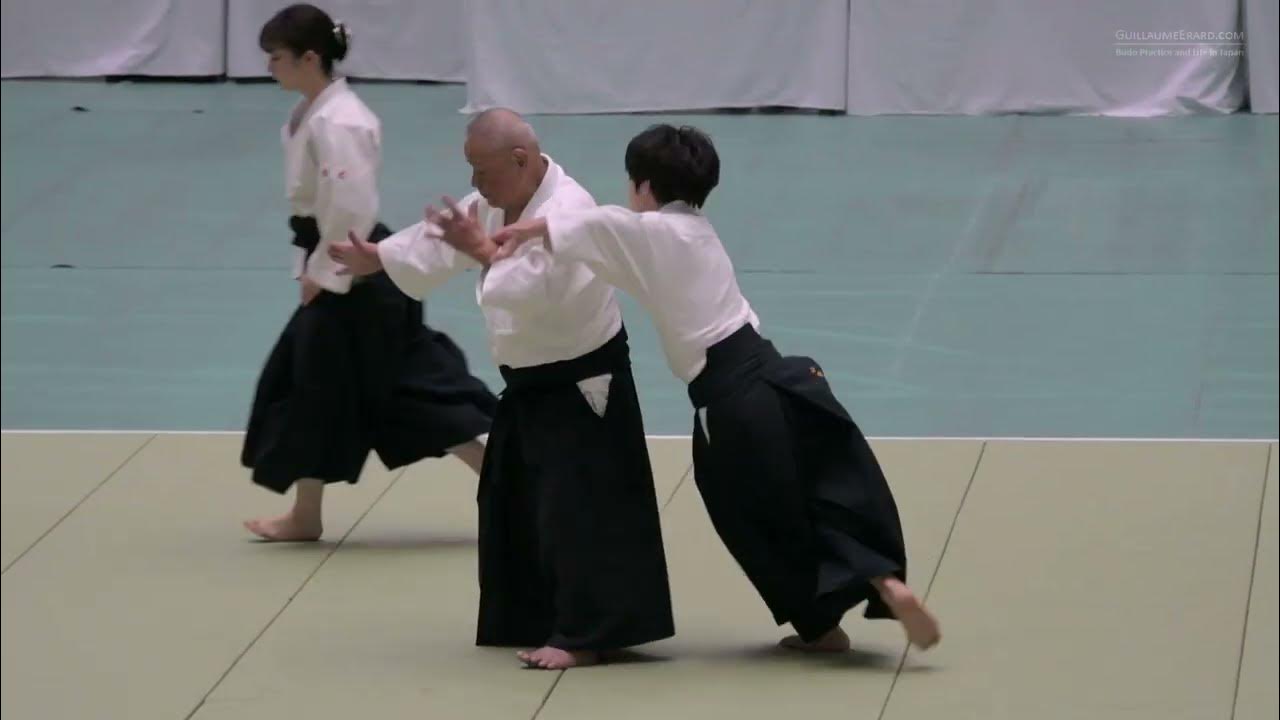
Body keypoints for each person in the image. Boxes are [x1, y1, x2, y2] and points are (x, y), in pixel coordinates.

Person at [436, 124, 941, 653]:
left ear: (644, 186)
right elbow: (589, 230)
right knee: (822, 492)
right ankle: (879, 584)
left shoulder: (648, 231)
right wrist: (533, 233)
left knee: (751, 519)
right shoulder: (699, 229)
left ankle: (822, 625)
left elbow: (585, 225)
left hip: (732, 403)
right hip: (782, 378)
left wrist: (506, 240)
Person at [327, 109, 674, 669]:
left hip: (582, 381)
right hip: (529, 380)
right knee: (510, 499)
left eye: (481, 170)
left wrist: (482, 252)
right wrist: (382, 258)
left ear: (520, 160)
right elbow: (447, 238)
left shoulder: (570, 210)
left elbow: (538, 290)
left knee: (577, 510)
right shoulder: (496, 196)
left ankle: (585, 636)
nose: (474, 183)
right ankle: (535, 616)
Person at [240, 4, 497, 542]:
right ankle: (305, 514)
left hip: (358, 270)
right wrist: (310, 267)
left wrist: (327, 275)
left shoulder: (343, 121)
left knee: (407, 389)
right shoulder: (314, 113)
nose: (271, 69)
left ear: (311, 58)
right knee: (314, 385)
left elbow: (349, 208)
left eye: (278, 59)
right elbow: (314, 216)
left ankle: (510, 491)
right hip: (341, 264)